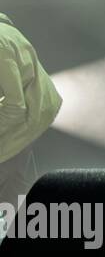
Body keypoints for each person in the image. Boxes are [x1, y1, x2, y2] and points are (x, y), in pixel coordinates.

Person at [0, 12, 63, 213]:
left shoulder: (0, 44)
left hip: (29, 111)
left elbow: (14, 108)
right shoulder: (5, 31)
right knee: (18, 175)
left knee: (10, 170)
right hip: (31, 106)